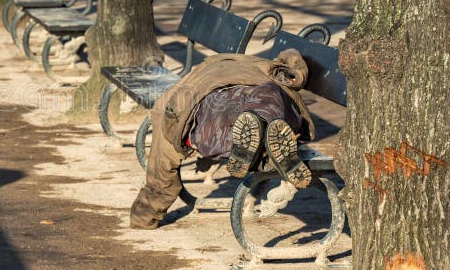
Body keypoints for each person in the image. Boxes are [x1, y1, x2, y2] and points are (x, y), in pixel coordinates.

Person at [130, 49, 316, 230]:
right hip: (261, 100)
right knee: (268, 99)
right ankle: (266, 147)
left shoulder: (193, 84)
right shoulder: (266, 70)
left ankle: (254, 146)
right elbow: (295, 65)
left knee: (227, 115)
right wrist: (293, 74)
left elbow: (162, 159)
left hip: (210, 108)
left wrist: (145, 214)